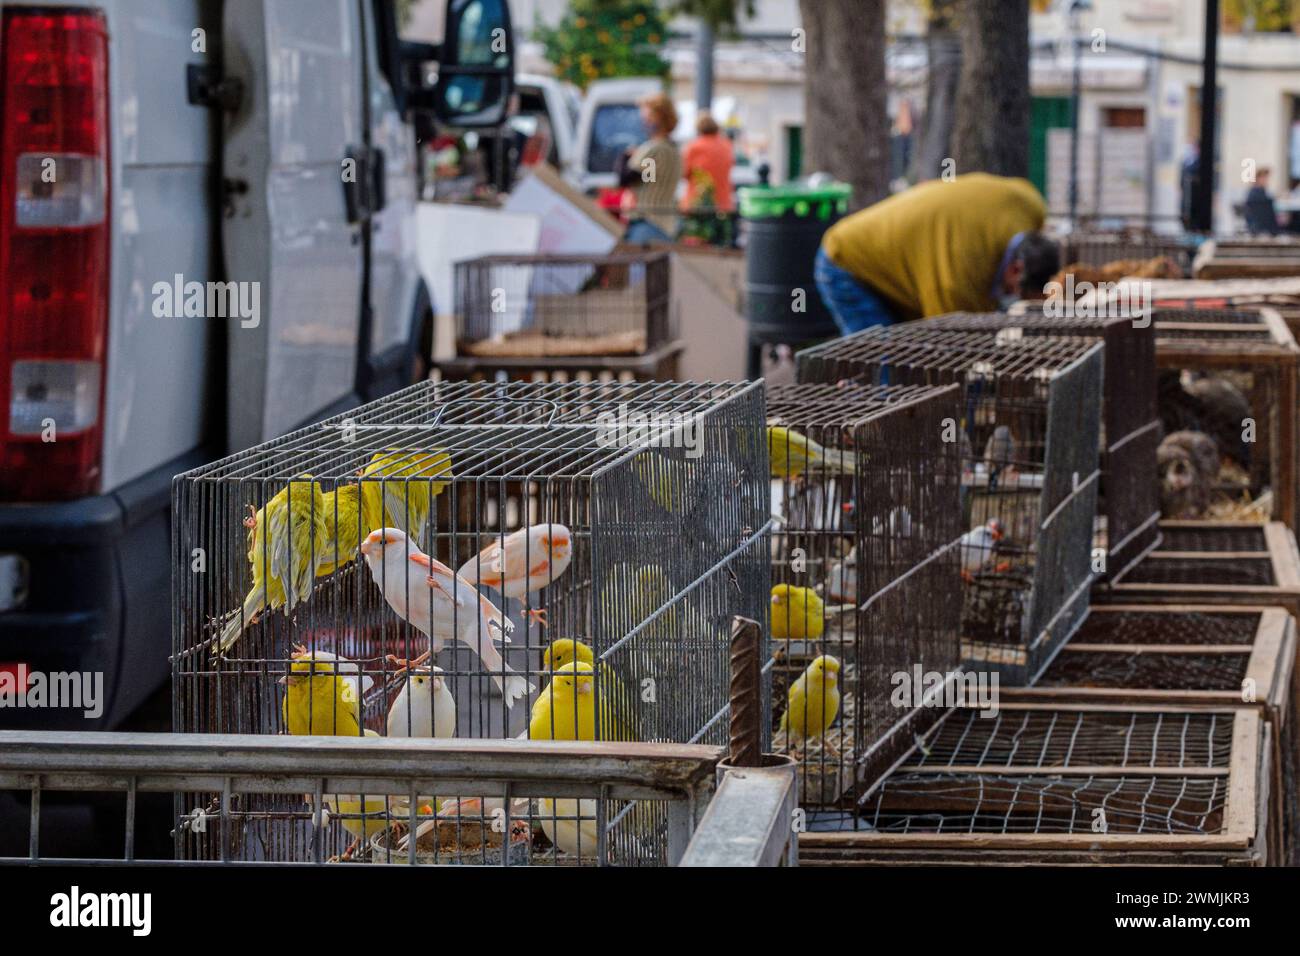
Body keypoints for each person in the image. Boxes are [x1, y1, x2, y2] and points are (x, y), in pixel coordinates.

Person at [814, 172, 1059, 333]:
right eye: (1016, 291)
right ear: (1016, 269)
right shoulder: (959, 279)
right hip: (847, 260)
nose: (1010, 297)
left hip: (898, 254)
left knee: (903, 356)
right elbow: (945, 342)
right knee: (881, 364)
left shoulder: (1030, 205)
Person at [623, 92, 682, 242]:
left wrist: (625, 157)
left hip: (647, 222)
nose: (643, 120)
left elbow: (635, 179)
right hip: (667, 223)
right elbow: (650, 177)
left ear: (658, 117)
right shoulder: (674, 150)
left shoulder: (654, 150)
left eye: (647, 115)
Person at [681, 111, 735, 212]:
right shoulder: (727, 146)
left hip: (697, 202)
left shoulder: (694, 147)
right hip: (724, 203)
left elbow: (684, 172)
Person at [1244, 167, 1279, 235]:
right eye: (1264, 178)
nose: (1266, 180)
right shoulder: (1257, 193)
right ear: (1257, 179)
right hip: (1263, 226)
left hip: (1259, 225)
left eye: (1266, 178)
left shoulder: (1256, 191)